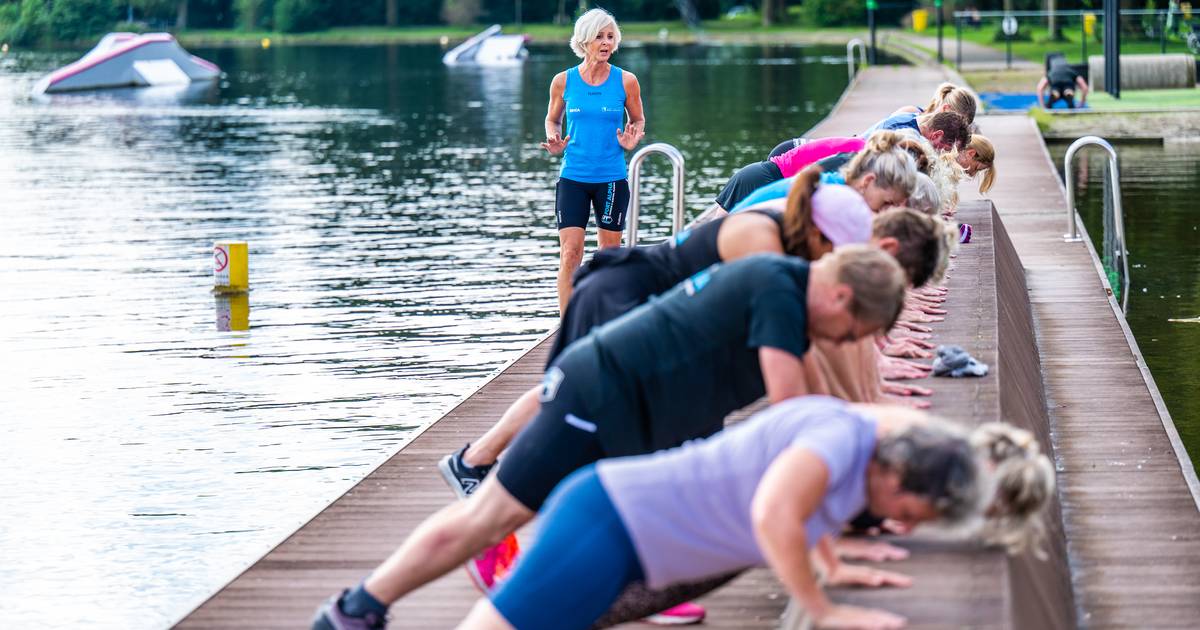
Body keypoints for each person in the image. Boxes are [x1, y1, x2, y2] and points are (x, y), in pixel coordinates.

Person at [311, 249, 909, 630]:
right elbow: (796, 425)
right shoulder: (780, 294)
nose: (840, 342)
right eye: (850, 331)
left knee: (594, 537)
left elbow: (808, 429)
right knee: (490, 518)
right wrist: (829, 562)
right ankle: (357, 607)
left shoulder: (789, 299)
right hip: (596, 398)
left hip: (635, 415)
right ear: (841, 296)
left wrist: (831, 556)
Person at [453, 397, 995, 630]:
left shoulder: (858, 467)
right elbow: (774, 513)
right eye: (913, 511)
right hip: (610, 522)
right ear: (900, 477)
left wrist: (833, 567)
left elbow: (810, 510)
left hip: (636, 542)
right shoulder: (839, 441)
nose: (907, 526)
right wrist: (822, 609)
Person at [541, 8, 645, 314]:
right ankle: (568, 326)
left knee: (609, 255)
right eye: (600, 36)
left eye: (611, 36)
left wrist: (632, 138)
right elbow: (552, 119)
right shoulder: (563, 81)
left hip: (611, 178)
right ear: (584, 40)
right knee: (570, 253)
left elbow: (638, 119)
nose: (606, 42)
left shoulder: (626, 81)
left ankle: (605, 319)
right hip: (573, 177)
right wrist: (554, 139)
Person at [731, 131, 920, 213]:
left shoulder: (851, 171)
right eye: (887, 203)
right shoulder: (836, 188)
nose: (887, 210)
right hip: (759, 177)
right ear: (868, 181)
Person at [714, 136, 865, 211]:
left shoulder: (857, 146)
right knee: (722, 229)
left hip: (758, 172)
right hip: (761, 178)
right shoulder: (858, 154)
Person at [860, 110, 971, 153]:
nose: (942, 153)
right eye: (944, 149)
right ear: (937, 134)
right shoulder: (900, 135)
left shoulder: (915, 119)